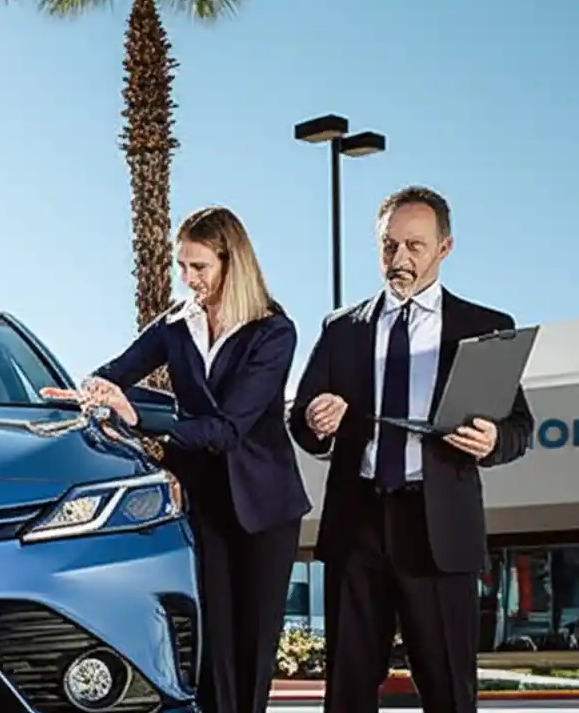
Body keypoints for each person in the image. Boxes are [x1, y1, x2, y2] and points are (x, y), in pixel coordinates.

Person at [45, 205, 312, 713]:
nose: (189, 279)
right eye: (182, 267)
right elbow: (117, 371)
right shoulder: (175, 324)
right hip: (200, 503)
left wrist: (140, 418)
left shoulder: (273, 332)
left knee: (254, 645)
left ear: (232, 263)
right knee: (211, 641)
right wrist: (92, 393)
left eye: (200, 268)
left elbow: (229, 429)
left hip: (264, 509)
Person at [287, 185, 534, 713]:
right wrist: (314, 420)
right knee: (348, 691)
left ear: (444, 248)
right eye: (388, 246)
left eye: (415, 246)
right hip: (358, 526)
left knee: (448, 689)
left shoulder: (485, 328)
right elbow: (301, 419)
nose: (400, 259)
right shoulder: (341, 329)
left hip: (439, 530)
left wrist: (492, 441)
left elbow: (519, 426)